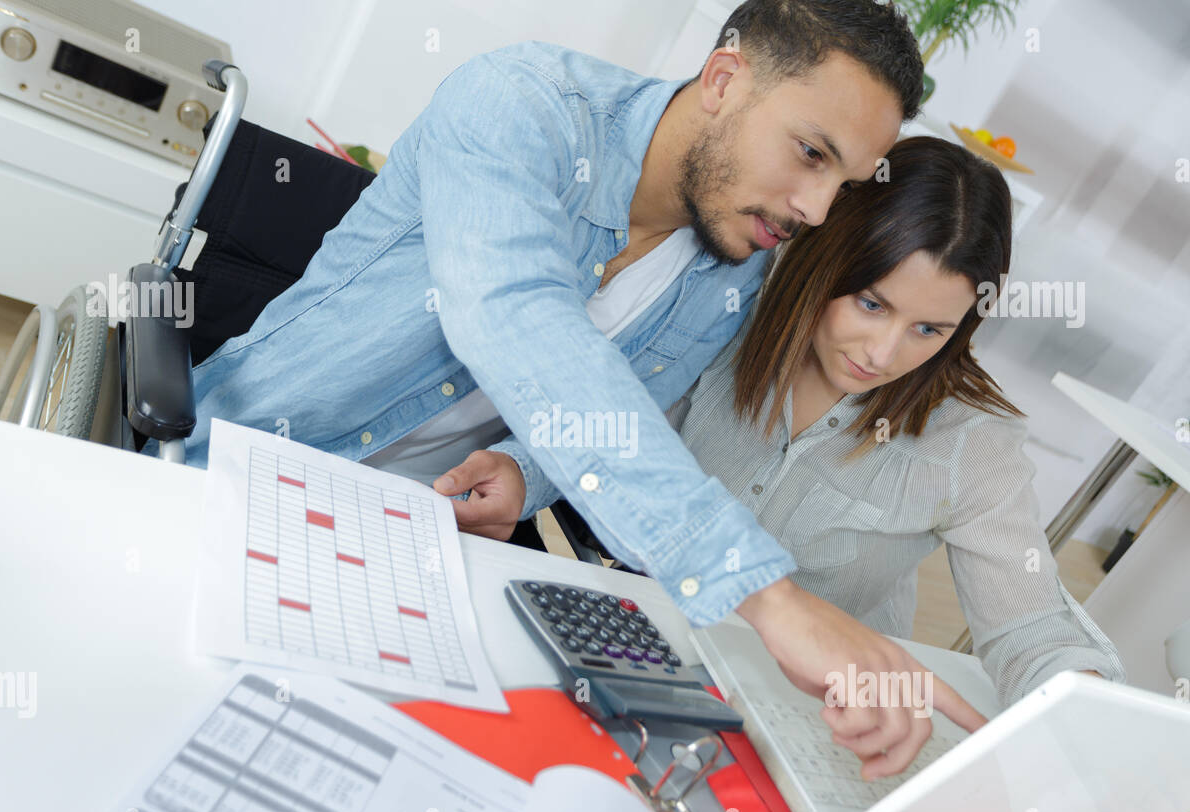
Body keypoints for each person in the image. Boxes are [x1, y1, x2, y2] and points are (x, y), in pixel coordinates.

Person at [184, 2, 987, 770]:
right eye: (810, 153)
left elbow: (610, 401)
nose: (816, 210)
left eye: (843, 184)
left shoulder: (730, 272)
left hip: (416, 545)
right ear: (723, 81)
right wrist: (770, 599)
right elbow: (516, 317)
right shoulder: (521, 105)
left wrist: (524, 471)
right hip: (234, 478)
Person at [449, 135, 1190, 812]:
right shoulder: (726, 309)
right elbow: (620, 423)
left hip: (809, 725)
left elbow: (1029, 624)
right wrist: (527, 471)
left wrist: (1103, 732)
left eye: (931, 328)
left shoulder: (973, 443)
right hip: (636, 649)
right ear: (826, 257)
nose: (884, 353)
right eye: (870, 304)